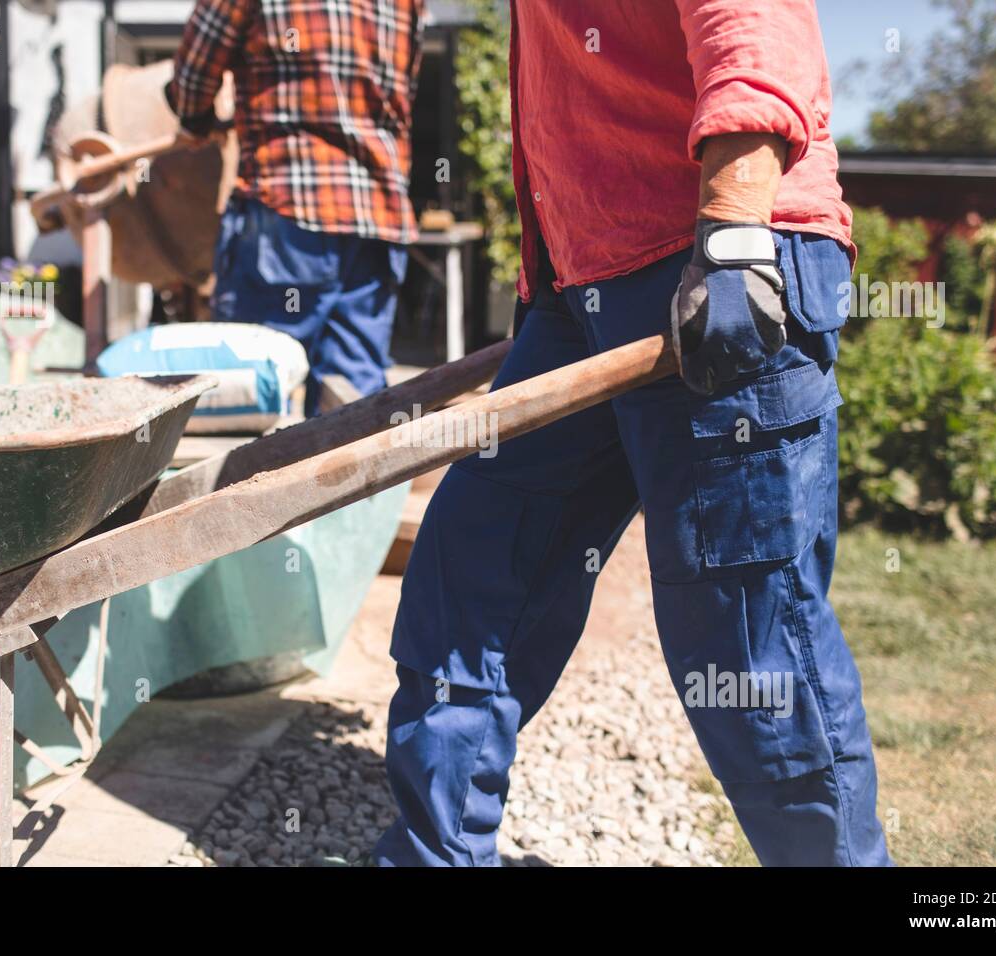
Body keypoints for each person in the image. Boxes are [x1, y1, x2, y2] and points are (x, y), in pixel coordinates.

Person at [374, 0, 894, 867]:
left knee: (746, 650)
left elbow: (750, 17)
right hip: (583, 287)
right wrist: (550, 275)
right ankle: (433, 857)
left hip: (723, 257)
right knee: (476, 568)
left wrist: (732, 229)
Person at [166, 0, 423, 416]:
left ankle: (257, 480)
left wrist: (195, 118)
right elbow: (403, 91)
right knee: (354, 397)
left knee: (255, 386)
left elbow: (194, 77)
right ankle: (350, 479)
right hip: (377, 215)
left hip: (286, 209)